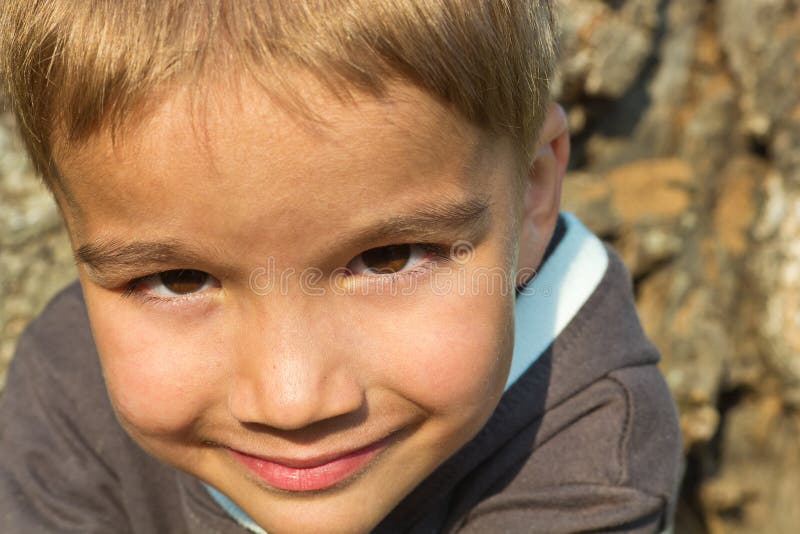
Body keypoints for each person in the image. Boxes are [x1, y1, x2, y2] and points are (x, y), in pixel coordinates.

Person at [0, 1, 681, 532]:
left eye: (387, 258)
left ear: (532, 195)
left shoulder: (586, 451)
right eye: (180, 279)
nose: (292, 401)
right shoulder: (66, 379)